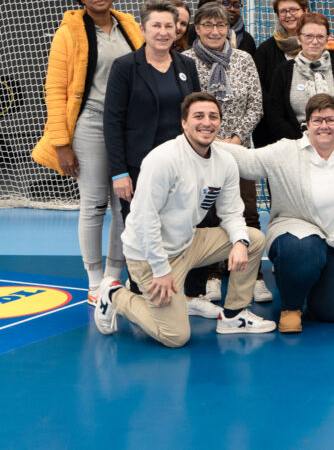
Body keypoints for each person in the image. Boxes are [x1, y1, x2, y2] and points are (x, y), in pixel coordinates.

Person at [92, 92, 275, 346]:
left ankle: (233, 315)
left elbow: (231, 212)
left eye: (213, 116)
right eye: (198, 116)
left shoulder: (225, 161)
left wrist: (240, 244)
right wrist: (160, 268)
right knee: (175, 336)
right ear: (184, 123)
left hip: (187, 244)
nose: (207, 123)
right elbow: (145, 219)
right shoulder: (163, 159)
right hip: (148, 255)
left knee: (252, 238)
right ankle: (114, 294)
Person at [222, 95, 334, 333]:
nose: (324, 126)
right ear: (307, 123)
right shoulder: (285, 150)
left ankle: (314, 282)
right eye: (317, 120)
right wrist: (204, 140)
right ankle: (291, 307)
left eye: (330, 120)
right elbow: (247, 160)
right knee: (303, 251)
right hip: (298, 231)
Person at [32, 0, 144, 304]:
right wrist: (61, 143)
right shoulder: (68, 32)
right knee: (94, 204)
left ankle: (114, 276)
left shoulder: (129, 26)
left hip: (127, 127)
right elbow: (55, 89)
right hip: (90, 125)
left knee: (124, 203)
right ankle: (95, 280)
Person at [182, 2, 267, 304]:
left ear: (228, 28)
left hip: (238, 150)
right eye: (207, 25)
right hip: (200, 153)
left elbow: (256, 104)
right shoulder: (185, 61)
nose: (214, 30)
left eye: (220, 25)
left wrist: (235, 139)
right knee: (207, 216)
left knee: (247, 213)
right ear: (198, 28)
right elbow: (185, 108)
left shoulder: (244, 60)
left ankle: (253, 276)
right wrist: (210, 142)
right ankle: (212, 275)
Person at [104, 0, 201, 220]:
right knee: (142, 233)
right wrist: (120, 173)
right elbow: (112, 122)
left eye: (169, 26)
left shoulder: (187, 65)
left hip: (180, 165)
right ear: (143, 29)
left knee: (178, 229)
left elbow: (195, 115)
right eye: (156, 26)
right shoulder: (124, 67)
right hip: (139, 167)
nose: (163, 32)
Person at [265, 12, 334, 141]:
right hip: (295, 144)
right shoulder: (283, 71)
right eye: (309, 36)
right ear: (299, 39)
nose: (315, 42)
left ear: (327, 39)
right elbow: (275, 115)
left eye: (320, 36)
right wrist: (301, 141)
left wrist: (331, 139)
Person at [252, 0, 314, 147]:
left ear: (305, 11)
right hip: (272, 133)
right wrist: (281, 124)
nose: (288, 15)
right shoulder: (265, 50)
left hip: (313, 129)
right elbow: (259, 90)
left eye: (294, 9)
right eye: (283, 11)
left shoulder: (319, 46)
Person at [190, 0, 257, 55]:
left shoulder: (247, 40)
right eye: (226, 3)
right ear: (212, 3)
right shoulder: (191, 32)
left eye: (236, 5)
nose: (232, 9)